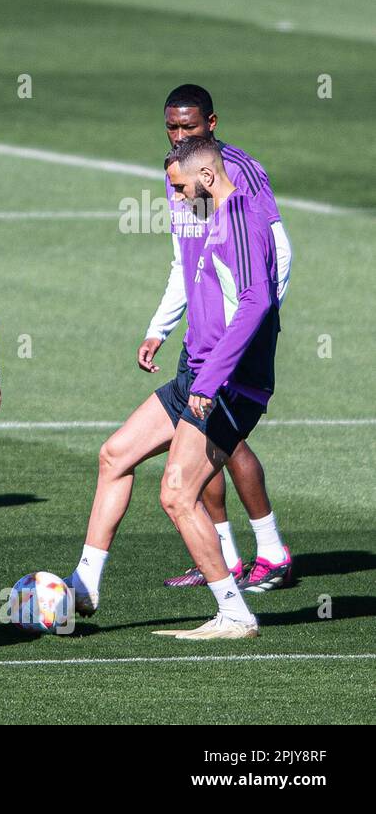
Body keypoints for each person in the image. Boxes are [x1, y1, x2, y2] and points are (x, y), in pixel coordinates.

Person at [67, 136, 279, 640]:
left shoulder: (240, 219)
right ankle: (84, 585)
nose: (177, 200)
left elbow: (257, 304)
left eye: (181, 189)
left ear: (207, 178)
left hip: (227, 385)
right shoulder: (211, 217)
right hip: (196, 373)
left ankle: (234, 612)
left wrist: (209, 380)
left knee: (178, 493)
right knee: (115, 455)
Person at [140, 85, 294, 592]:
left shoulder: (237, 174)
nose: (180, 135)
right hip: (199, 336)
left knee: (221, 443)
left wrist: (256, 324)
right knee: (212, 445)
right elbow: (184, 259)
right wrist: (161, 326)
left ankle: (268, 552)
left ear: (212, 123)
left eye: (189, 126)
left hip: (232, 337)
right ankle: (224, 556)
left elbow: (277, 249)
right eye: (172, 127)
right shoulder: (176, 175)